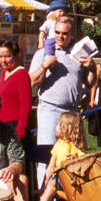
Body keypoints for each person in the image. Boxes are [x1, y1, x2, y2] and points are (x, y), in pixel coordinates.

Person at [30, 17, 92, 184]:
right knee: (47, 154)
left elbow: (90, 82)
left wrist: (91, 67)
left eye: (65, 33)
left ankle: (66, 195)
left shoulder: (78, 54)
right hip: (50, 109)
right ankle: (43, 195)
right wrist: (45, 65)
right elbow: (31, 82)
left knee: (73, 154)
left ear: (71, 35)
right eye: (57, 32)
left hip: (72, 111)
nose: (60, 36)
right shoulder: (43, 53)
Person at [31, 109, 86, 201]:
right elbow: (50, 166)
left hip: (72, 181)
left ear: (66, 128)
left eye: (58, 124)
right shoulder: (58, 144)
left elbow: (84, 166)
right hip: (58, 179)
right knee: (50, 187)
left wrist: (74, 160)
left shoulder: (77, 148)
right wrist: (44, 185)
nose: (55, 127)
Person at [0, 41, 31, 141]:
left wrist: (20, 129)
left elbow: (25, 105)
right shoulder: (4, 72)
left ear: (16, 55)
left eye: (7, 56)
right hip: (1, 125)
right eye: (0, 57)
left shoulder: (21, 74)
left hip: (13, 127)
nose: (3, 60)